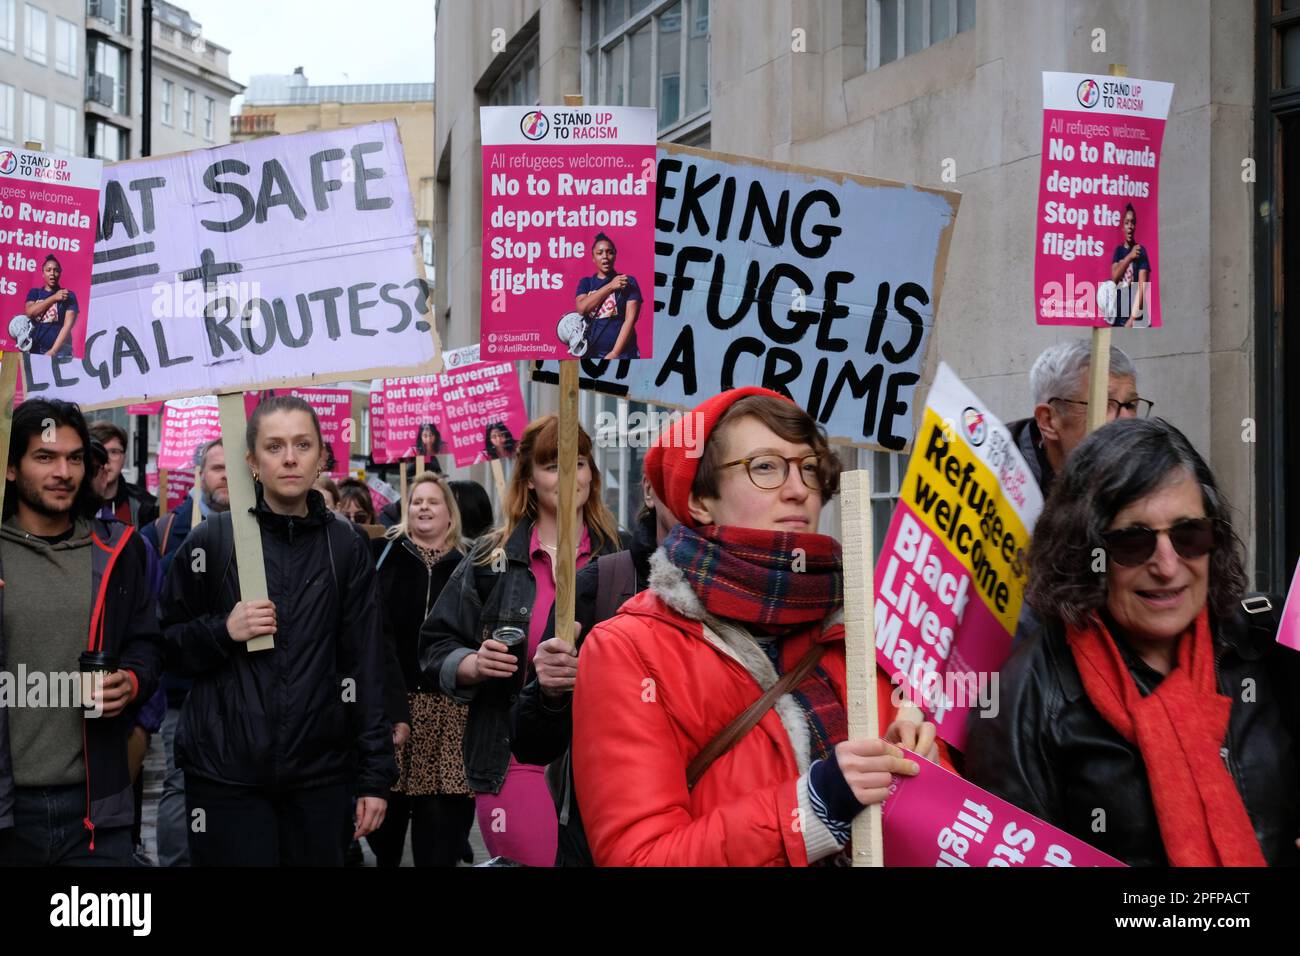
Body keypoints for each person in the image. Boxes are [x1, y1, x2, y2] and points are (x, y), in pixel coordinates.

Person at [569, 388, 942, 866]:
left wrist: (927, 777)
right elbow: (640, 857)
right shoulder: (628, 650)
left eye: (809, 468)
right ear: (701, 500)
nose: (798, 489)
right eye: (765, 467)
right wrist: (813, 807)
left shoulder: (867, 630)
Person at [965, 418, 1300, 866]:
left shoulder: (1268, 642)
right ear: (1085, 550)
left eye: (1189, 535)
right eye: (1133, 542)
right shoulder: (1024, 694)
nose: (1167, 565)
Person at [160, 395, 395, 866]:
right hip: (226, 779)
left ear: (322, 456)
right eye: (274, 446)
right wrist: (223, 631)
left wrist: (374, 775)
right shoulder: (214, 540)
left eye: (302, 444)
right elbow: (163, 648)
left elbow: (366, 661)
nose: (289, 458)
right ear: (252, 460)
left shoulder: (346, 546)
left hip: (320, 777)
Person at [419, 416, 626, 867]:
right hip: (514, 759)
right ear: (530, 480)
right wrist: (473, 663)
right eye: (554, 466)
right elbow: (436, 644)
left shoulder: (623, 560)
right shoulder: (491, 558)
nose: (571, 475)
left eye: (581, 462)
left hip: (612, 763)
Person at [0, 399, 163, 865]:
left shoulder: (116, 550)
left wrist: (131, 681)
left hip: (95, 809)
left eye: (74, 458)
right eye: (45, 457)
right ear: (11, 468)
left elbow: (147, 644)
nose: (64, 471)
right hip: (9, 813)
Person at [512, 473, 678, 866]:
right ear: (651, 492)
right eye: (677, 481)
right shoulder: (601, 583)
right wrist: (549, 692)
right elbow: (533, 743)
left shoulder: (753, 598)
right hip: (598, 834)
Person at [366, 473, 475, 867]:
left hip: (449, 711)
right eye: (416, 501)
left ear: (450, 514)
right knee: (386, 822)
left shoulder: (470, 565)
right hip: (393, 706)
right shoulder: (383, 555)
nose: (424, 507)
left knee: (440, 823)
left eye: (433, 501)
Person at [140, 438, 231, 868]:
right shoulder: (165, 531)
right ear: (200, 474)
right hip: (185, 688)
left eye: (233, 467)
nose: (226, 477)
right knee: (181, 783)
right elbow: (153, 610)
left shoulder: (263, 526)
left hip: (245, 684)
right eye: (217, 468)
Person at [1005, 340, 1151, 494]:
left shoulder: (1146, 478)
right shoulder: (1000, 491)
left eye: (1130, 405)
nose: (1127, 421)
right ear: (1048, 421)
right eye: (1103, 404)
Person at [574, 232, 642, 360]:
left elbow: (630, 320)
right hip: (590, 354)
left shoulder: (627, 281)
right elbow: (582, 308)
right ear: (593, 257)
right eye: (599, 253)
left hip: (623, 355)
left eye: (609, 252)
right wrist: (610, 286)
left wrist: (615, 353)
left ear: (615, 255)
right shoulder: (586, 283)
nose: (605, 256)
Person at [86, 420, 158, 528]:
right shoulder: (71, 501)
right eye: (99, 452)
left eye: (114, 452)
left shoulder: (145, 504)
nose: (106, 460)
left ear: (124, 457)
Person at [23, 254, 78, 358]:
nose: (52, 273)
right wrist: (54, 298)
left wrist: (53, 351)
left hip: (60, 352)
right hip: (34, 350)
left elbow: (67, 326)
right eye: (48, 270)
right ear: (43, 274)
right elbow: (29, 313)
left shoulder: (69, 295)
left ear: (60, 273)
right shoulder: (35, 293)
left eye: (56, 270)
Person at [1110, 203, 1151, 328]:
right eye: (1127, 223)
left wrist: (1132, 319)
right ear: (1122, 226)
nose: (1130, 226)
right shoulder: (1118, 251)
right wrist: (1129, 257)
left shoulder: (1140, 251)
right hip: (1118, 317)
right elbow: (1114, 278)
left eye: (1132, 223)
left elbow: (1142, 288)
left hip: (1136, 318)